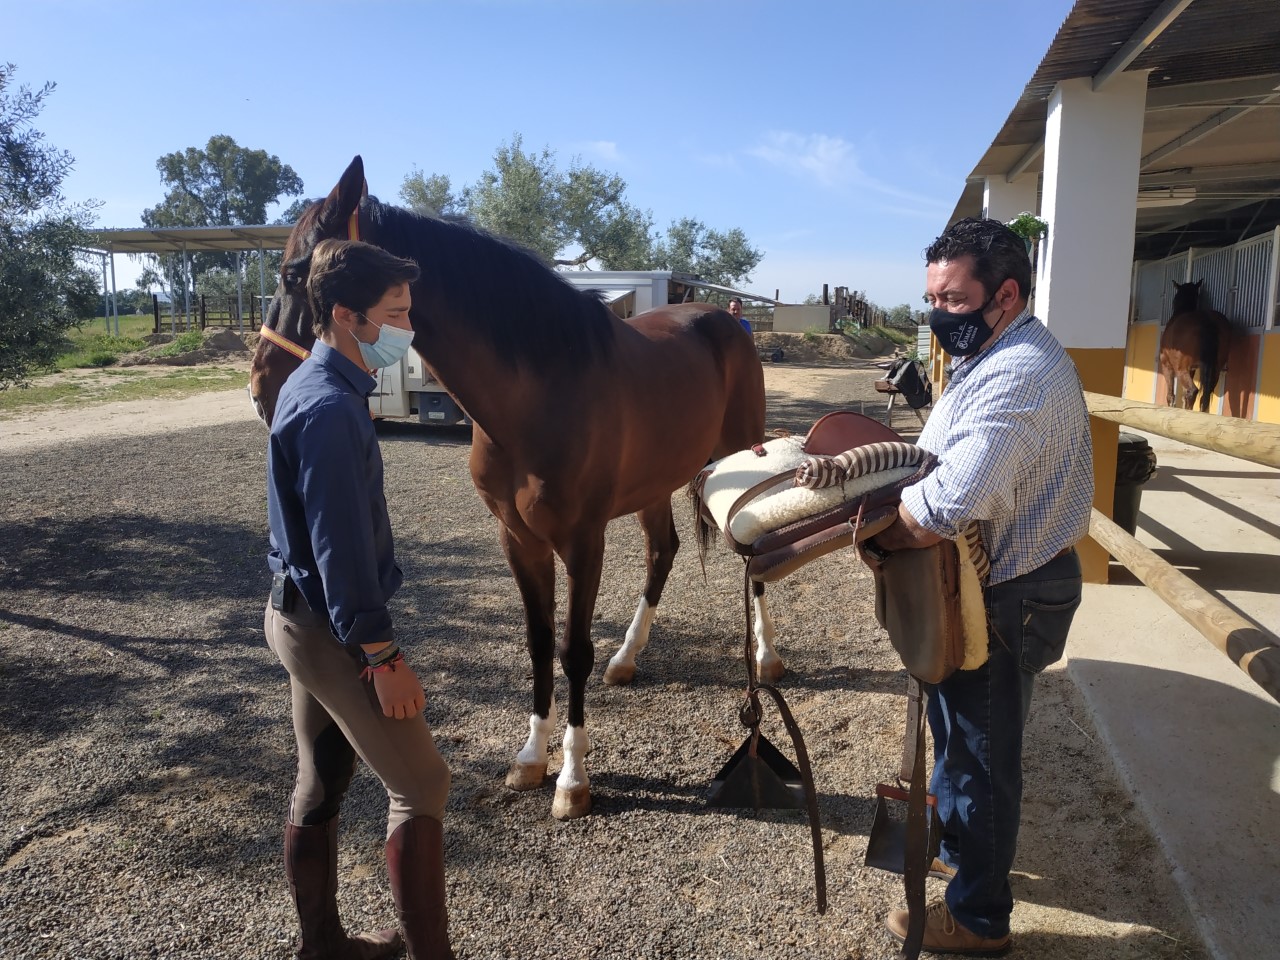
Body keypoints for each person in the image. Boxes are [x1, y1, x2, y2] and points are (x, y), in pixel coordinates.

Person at [873, 217, 1093, 955]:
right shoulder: (992, 350)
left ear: (1006, 293)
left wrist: (874, 522)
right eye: (932, 297)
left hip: (1009, 594)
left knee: (983, 756)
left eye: (954, 300)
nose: (939, 314)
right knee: (960, 737)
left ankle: (978, 919)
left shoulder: (1021, 373)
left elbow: (943, 506)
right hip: (988, 583)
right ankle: (965, 854)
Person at [264, 238, 453, 960]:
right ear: (346, 316)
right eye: (395, 313)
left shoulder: (321, 388)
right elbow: (341, 554)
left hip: (298, 614)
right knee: (422, 782)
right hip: (328, 628)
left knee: (324, 775)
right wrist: (380, 654)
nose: (407, 328)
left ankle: (324, 948)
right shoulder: (331, 412)